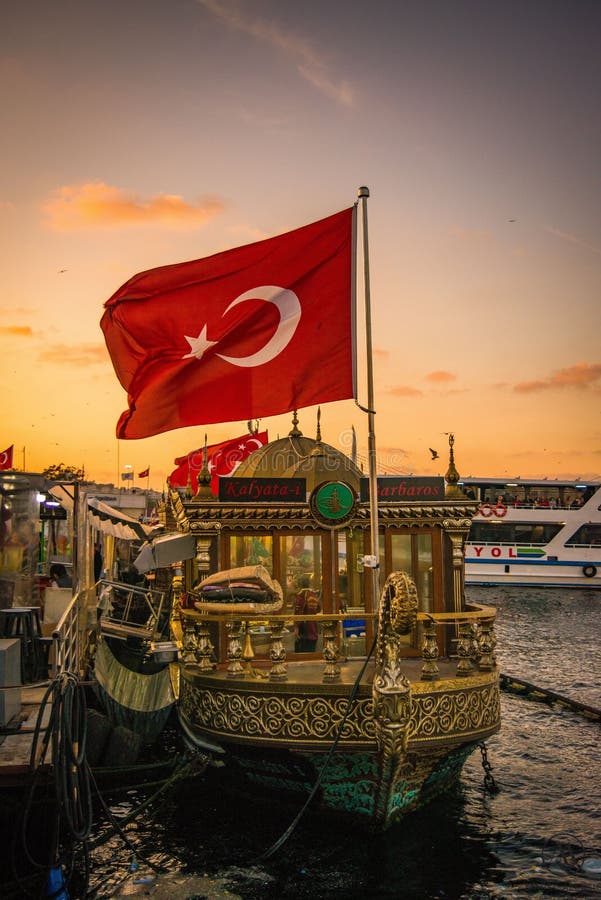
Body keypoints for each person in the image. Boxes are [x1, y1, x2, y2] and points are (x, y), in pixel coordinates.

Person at [294, 575, 321, 652]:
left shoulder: (300, 596)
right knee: (311, 656)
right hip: (313, 630)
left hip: (304, 632)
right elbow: (318, 609)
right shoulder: (313, 595)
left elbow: (298, 613)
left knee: (302, 657)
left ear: (300, 584)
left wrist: (296, 628)